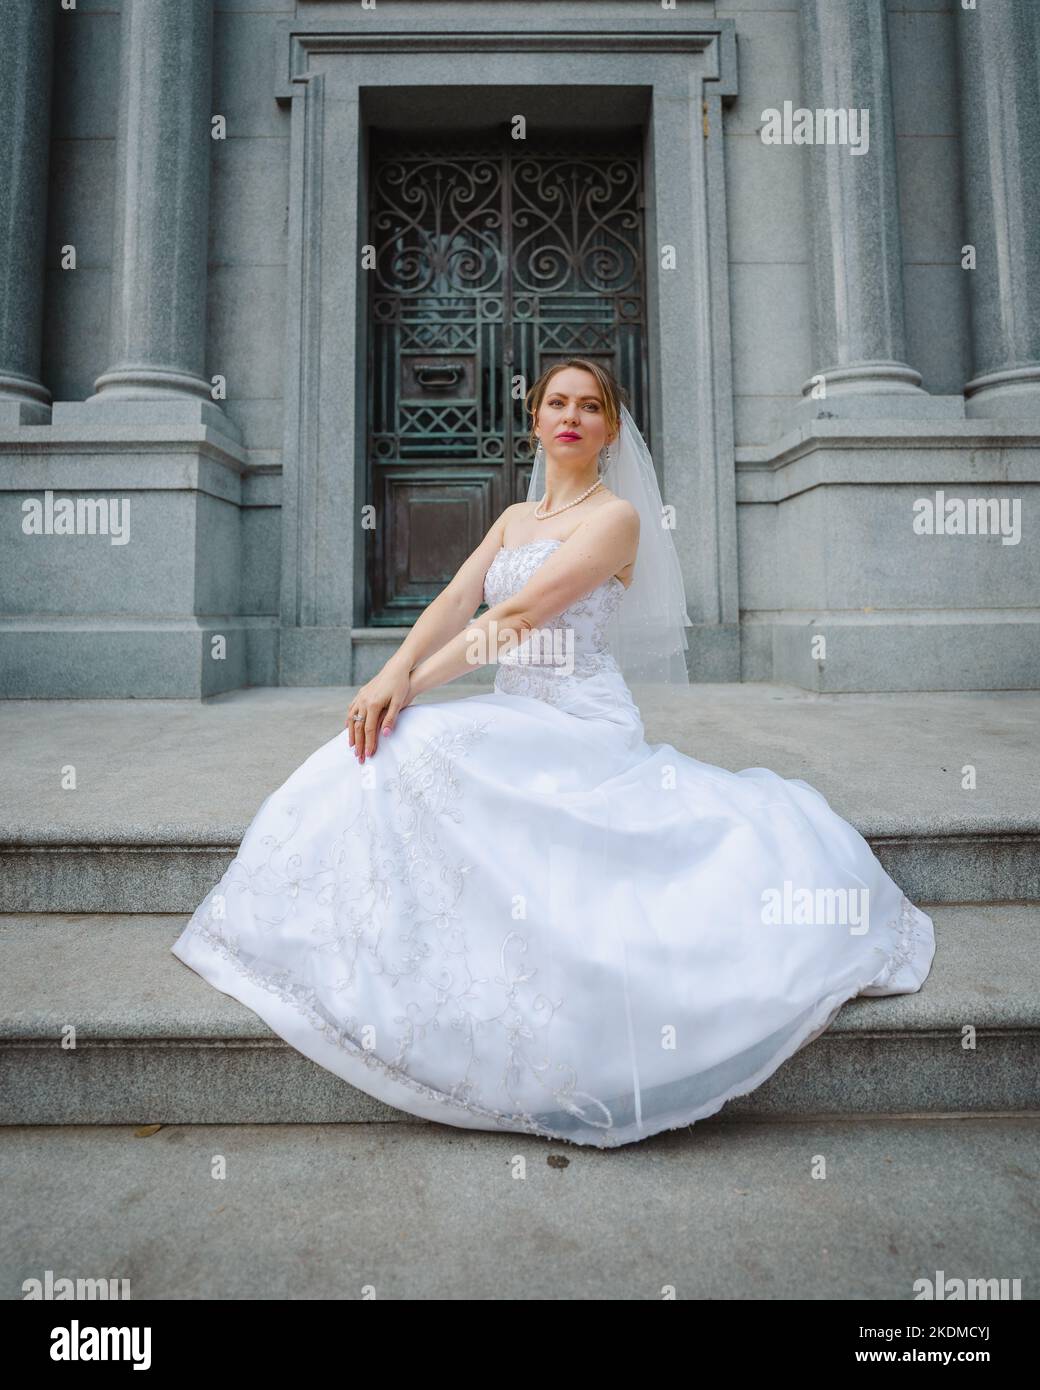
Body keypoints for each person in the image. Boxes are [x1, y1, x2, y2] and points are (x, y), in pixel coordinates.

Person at [171, 358, 935, 1148]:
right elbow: (456, 601)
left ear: (608, 429)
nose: (571, 416)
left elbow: (523, 614)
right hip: (517, 706)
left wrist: (415, 689)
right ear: (535, 419)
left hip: (580, 717)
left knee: (419, 740)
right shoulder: (511, 519)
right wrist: (391, 671)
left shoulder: (617, 520)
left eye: (590, 406)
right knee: (380, 745)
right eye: (557, 404)